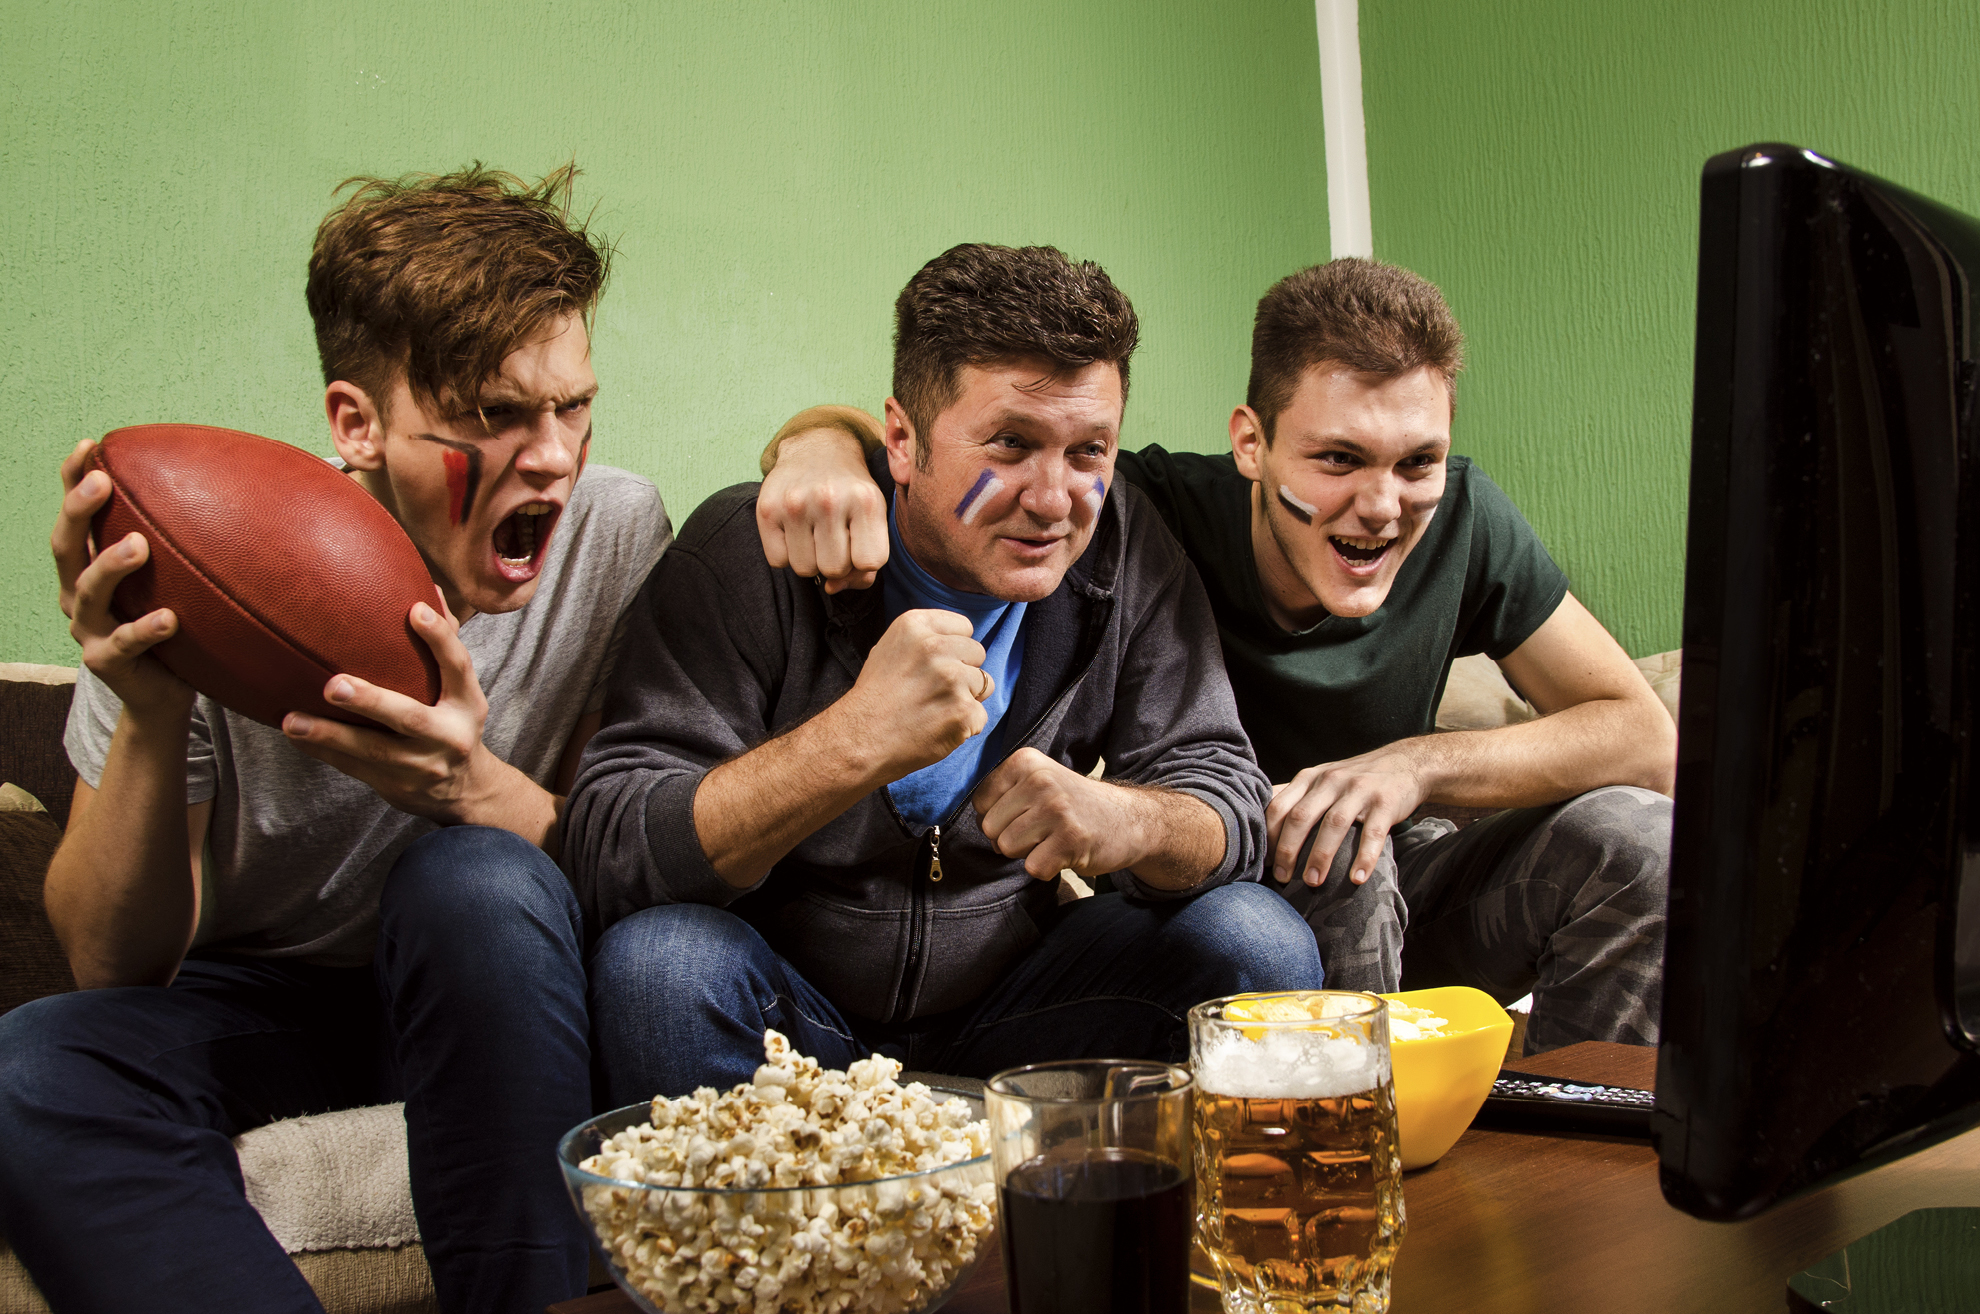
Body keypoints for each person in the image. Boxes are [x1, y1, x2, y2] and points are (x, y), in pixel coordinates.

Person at [0, 165, 671, 1314]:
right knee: (29, 1062)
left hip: (494, 988)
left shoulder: (614, 531)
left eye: (571, 406)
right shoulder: (202, 566)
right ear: (356, 422)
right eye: (495, 414)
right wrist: (156, 707)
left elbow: (607, 868)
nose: (553, 454)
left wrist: (467, 784)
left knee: (477, 877)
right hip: (269, 997)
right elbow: (117, 968)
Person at [756, 257, 1675, 1053]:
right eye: (1337, 460)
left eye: (1416, 464)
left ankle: (1573, 1155)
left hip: (1408, 865)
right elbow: (950, 440)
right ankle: (1359, 1177)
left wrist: (1413, 767)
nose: (1384, 506)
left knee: (1638, 841)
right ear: (1252, 444)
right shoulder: (1144, 515)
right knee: (1341, 855)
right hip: (1231, 893)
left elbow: (1644, 737)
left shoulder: (1464, 521)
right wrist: (818, 445)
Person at [564, 242, 1321, 1102]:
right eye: (1009, 444)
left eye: (1087, 452)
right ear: (900, 439)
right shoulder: (752, 552)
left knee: (1258, 943)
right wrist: (849, 744)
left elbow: (1227, 796)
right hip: (793, 1012)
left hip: (1018, 1005)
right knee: (658, 966)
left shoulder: (1123, 549)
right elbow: (612, 849)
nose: (1054, 498)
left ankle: (1183, 1232)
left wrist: (1130, 820)